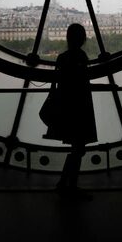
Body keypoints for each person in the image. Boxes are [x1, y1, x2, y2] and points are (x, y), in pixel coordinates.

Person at [45, 23, 97, 198]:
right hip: (80, 108)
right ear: (81, 38)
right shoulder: (81, 57)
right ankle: (69, 185)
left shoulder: (62, 58)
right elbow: (84, 82)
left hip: (67, 108)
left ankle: (64, 184)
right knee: (79, 149)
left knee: (76, 148)